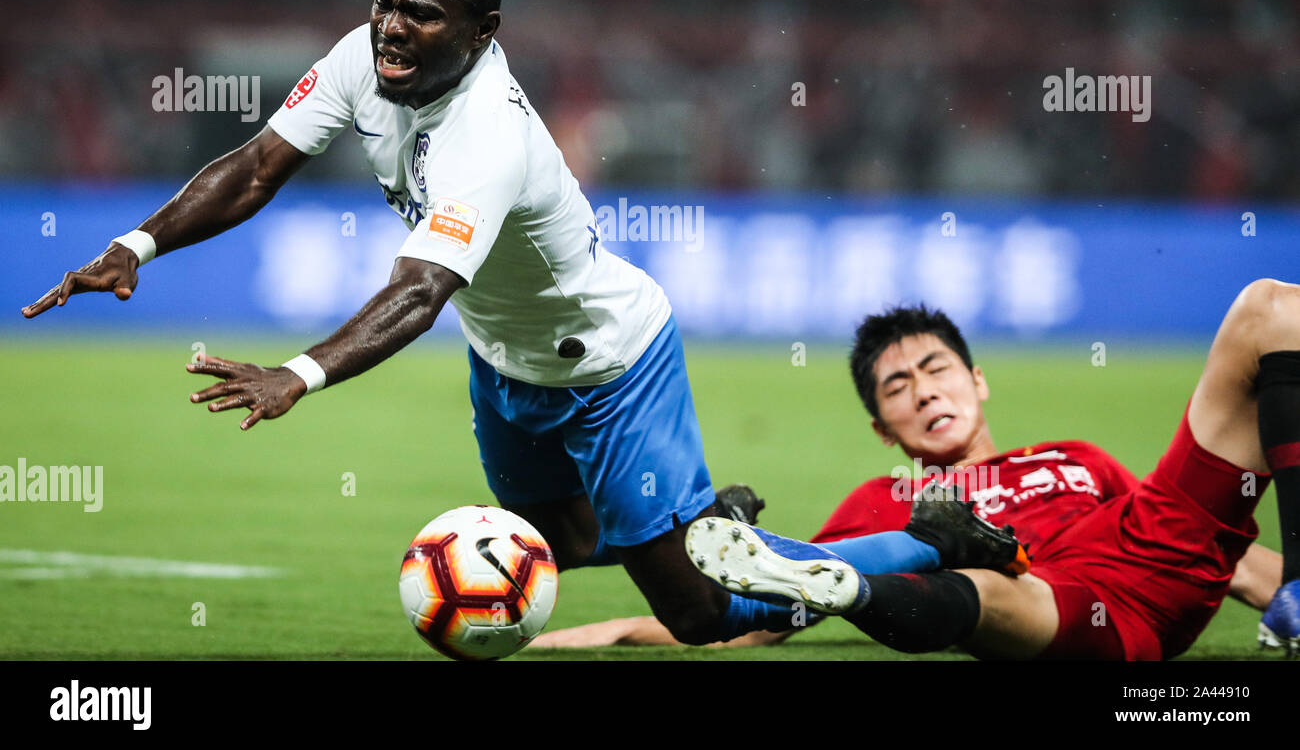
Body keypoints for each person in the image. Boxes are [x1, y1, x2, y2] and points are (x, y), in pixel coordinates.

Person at [22, 0, 950, 646]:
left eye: (422, 13)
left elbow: (421, 291)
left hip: (608, 368)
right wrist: (136, 247)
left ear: (482, 30)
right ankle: (709, 520)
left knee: (698, 616)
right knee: (562, 543)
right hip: (507, 364)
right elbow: (259, 166)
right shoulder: (365, 56)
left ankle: (906, 550)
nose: (392, 23)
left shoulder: (488, 139)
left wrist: (294, 376)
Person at [536, 298, 1298, 659]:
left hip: (1154, 560)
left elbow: (1225, 561)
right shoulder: (881, 506)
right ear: (882, 429)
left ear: (978, 379)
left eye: (936, 369)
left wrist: (1281, 586)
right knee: (987, 583)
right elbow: (764, 618)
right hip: (1056, 611)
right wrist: (601, 633)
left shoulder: (1075, 457)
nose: (925, 390)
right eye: (897, 387)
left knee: (1270, 312)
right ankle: (872, 585)